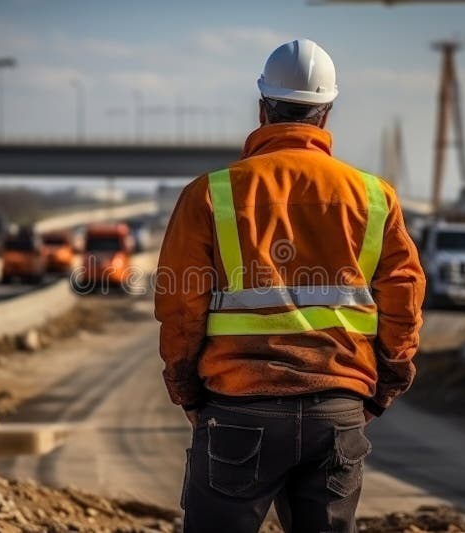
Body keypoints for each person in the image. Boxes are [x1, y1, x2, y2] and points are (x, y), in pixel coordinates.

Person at [154, 38, 426, 533]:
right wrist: (382, 387)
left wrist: (189, 394)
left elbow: (180, 308)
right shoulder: (374, 197)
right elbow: (403, 302)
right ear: (325, 115)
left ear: (263, 109)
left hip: (238, 411)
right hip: (337, 412)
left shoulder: (210, 194)